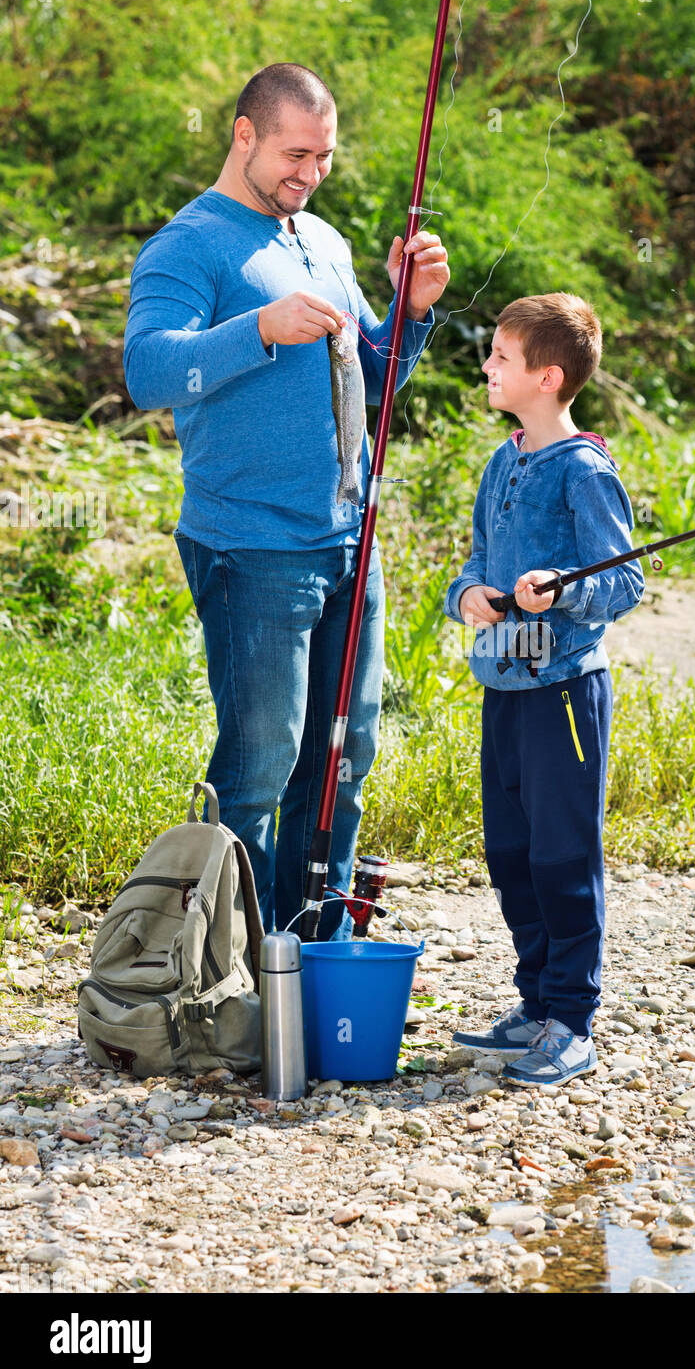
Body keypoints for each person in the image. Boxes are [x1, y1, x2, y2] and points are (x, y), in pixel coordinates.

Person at [123, 63, 449, 940]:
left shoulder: (327, 243)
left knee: (344, 756)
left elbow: (372, 382)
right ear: (243, 135)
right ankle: (230, 963)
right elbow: (148, 370)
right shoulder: (188, 246)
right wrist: (259, 329)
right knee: (261, 765)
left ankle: (315, 943)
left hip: (349, 539)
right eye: (294, 153)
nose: (308, 172)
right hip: (253, 548)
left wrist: (408, 315)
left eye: (325, 157)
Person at [443, 293, 644, 1087]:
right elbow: (473, 562)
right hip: (502, 687)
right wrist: (467, 598)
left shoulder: (585, 471)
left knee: (564, 856)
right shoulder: (503, 460)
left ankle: (571, 1020)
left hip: (564, 693)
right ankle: (531, 1004)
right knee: (512, 853)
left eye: (499, 356)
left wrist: (561, 590)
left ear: (546, 375)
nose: (486, 366)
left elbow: (621, 581)